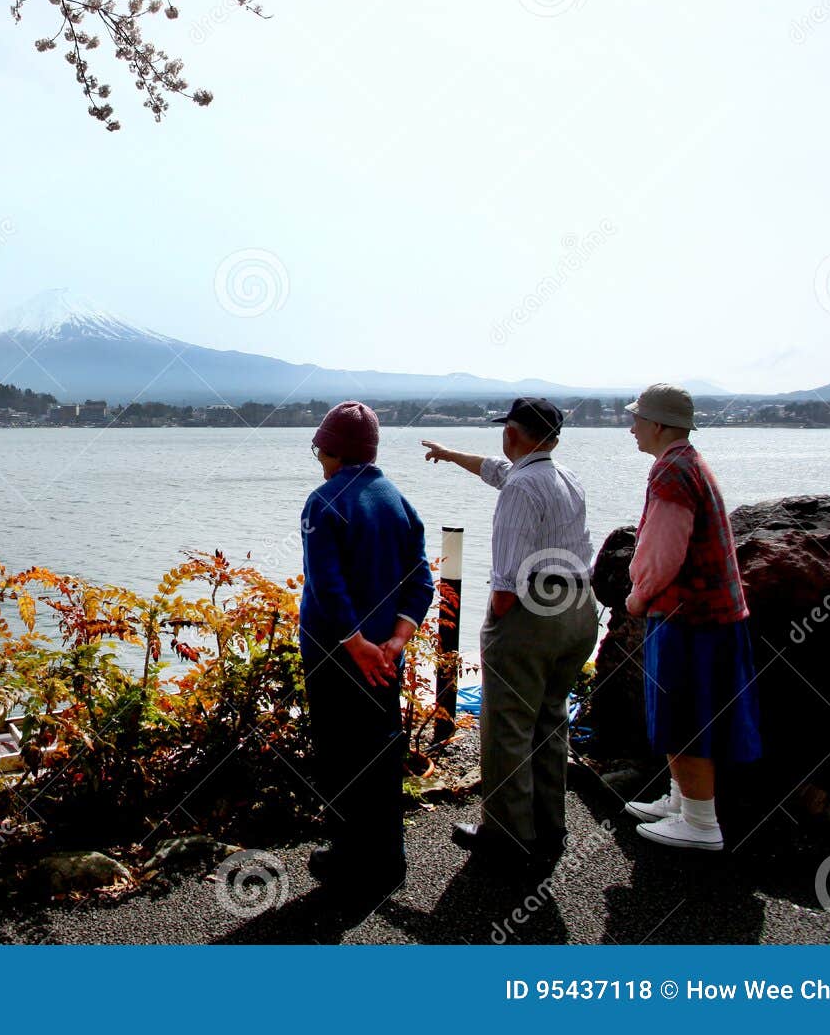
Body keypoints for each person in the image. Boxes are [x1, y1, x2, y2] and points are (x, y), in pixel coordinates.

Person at [421, 398, 598, 874]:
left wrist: (499, 620)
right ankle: (548, 823)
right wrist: (451, 454)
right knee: (549, 718)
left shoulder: (521, 489)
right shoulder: (564, 477)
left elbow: (505, 580)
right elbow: (497, 470)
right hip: (580, 609)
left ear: (512, 433)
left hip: (532, 613)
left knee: (507, 725)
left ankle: (507, 835)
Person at [300, 401, 435, 898]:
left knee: (339, 754)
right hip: (385, 656)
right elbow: (420, 580)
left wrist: (353, 644)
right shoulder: (397, 500)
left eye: (319, 448)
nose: (318, 457)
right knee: (379, 752)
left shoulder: (324, 502)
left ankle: (349, 861)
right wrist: (395, 641)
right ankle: (388, 859)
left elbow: (327, 585)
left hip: (338, 654)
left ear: (333, 449)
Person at [622, 383, 761, 851]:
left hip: (689, 617)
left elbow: (663, 551)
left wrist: (638, 595)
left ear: (658, 425)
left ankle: (701, 822)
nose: (632, 427)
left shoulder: (670, 472)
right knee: (690, 708)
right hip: (713, 614)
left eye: (637, 419)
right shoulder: (689, 463)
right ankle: (682, 800)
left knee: (683, 711)